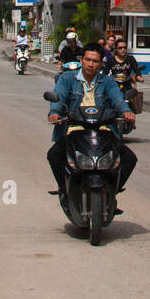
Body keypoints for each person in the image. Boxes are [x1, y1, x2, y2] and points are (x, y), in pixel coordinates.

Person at [46, 43, 136, 197]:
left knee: (129, 158)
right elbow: (59, 98)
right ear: (81, 60)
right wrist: (54, 113)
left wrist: (126, 111)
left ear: (101, 64)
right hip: (75, 129)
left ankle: (111, 191)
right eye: (87, 59)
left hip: (103, 129)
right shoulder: (67, 79)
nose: (90, 64)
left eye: (95, 61)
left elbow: (118, 99)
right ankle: (65, 190)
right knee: (54, 155)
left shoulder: (107, 82)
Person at [105, 35, 141, 100]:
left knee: (132, 100)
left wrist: (138, 76)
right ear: (116, 49)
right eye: (120, 48)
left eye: (125, 48)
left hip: (127, 85)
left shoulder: (130, 59)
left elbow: (136, 69)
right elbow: (105, 72)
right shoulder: (111, 60)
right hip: (114, 85)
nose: (123, 49)